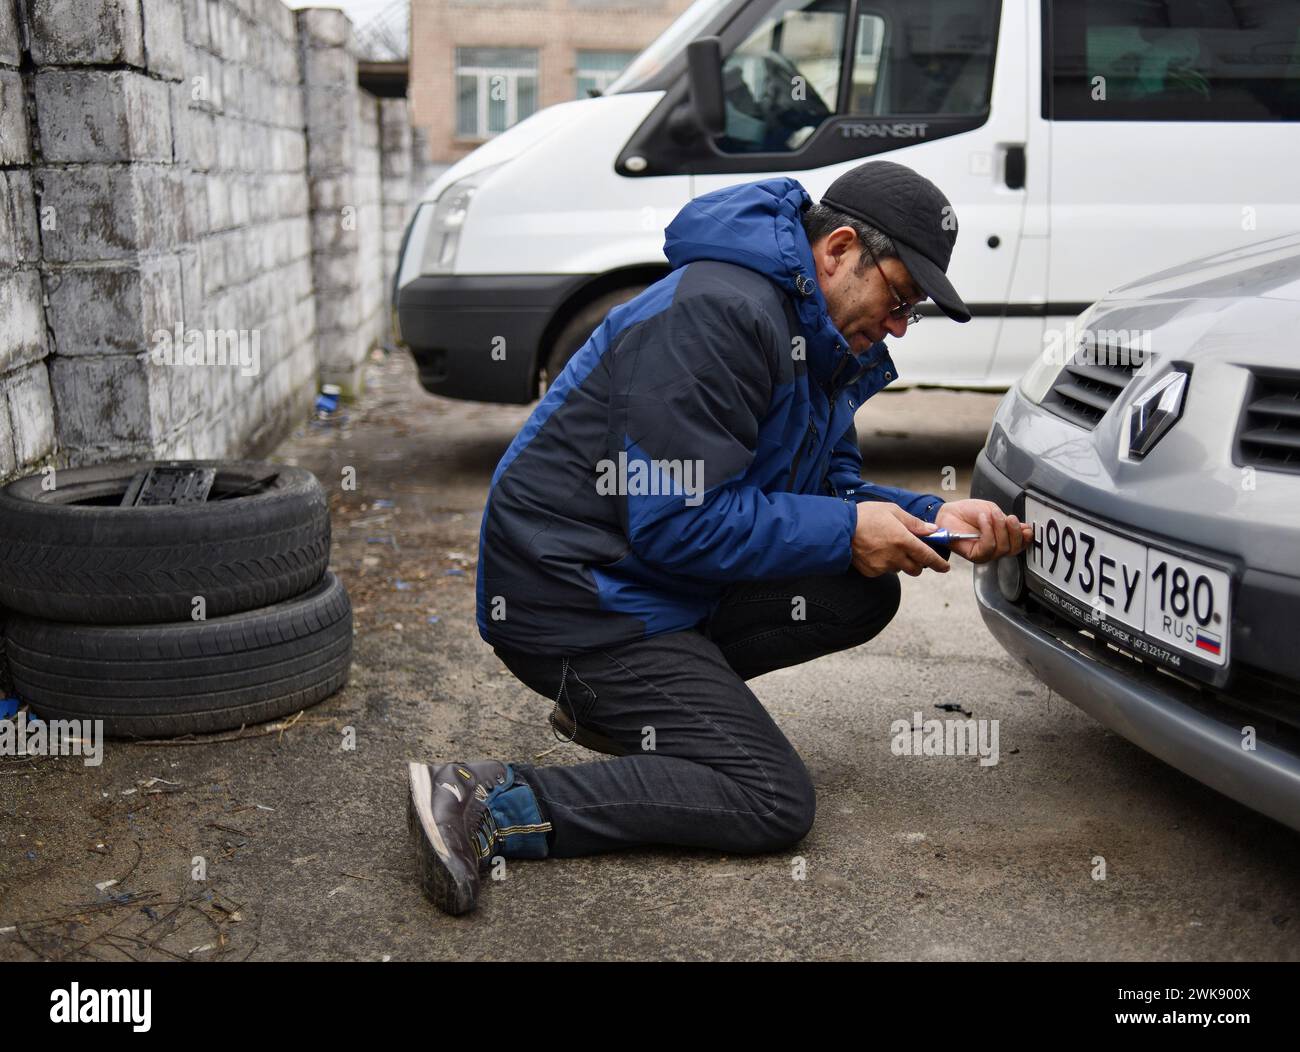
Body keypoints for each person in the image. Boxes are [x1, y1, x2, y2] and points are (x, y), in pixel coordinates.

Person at [406, 160, 1032, 916]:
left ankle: (628, 711)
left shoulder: (820, 339)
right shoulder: (717, 315)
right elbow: (679, 521)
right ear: (836, 251)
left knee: (859, 589)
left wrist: (932, 517)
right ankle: (486, 801)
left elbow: (825, 492)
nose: (900, 324)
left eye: (914, 310)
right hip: (574, 597)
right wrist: (846, 529)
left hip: (647, 578)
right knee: (769, 799)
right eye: (899, 296)